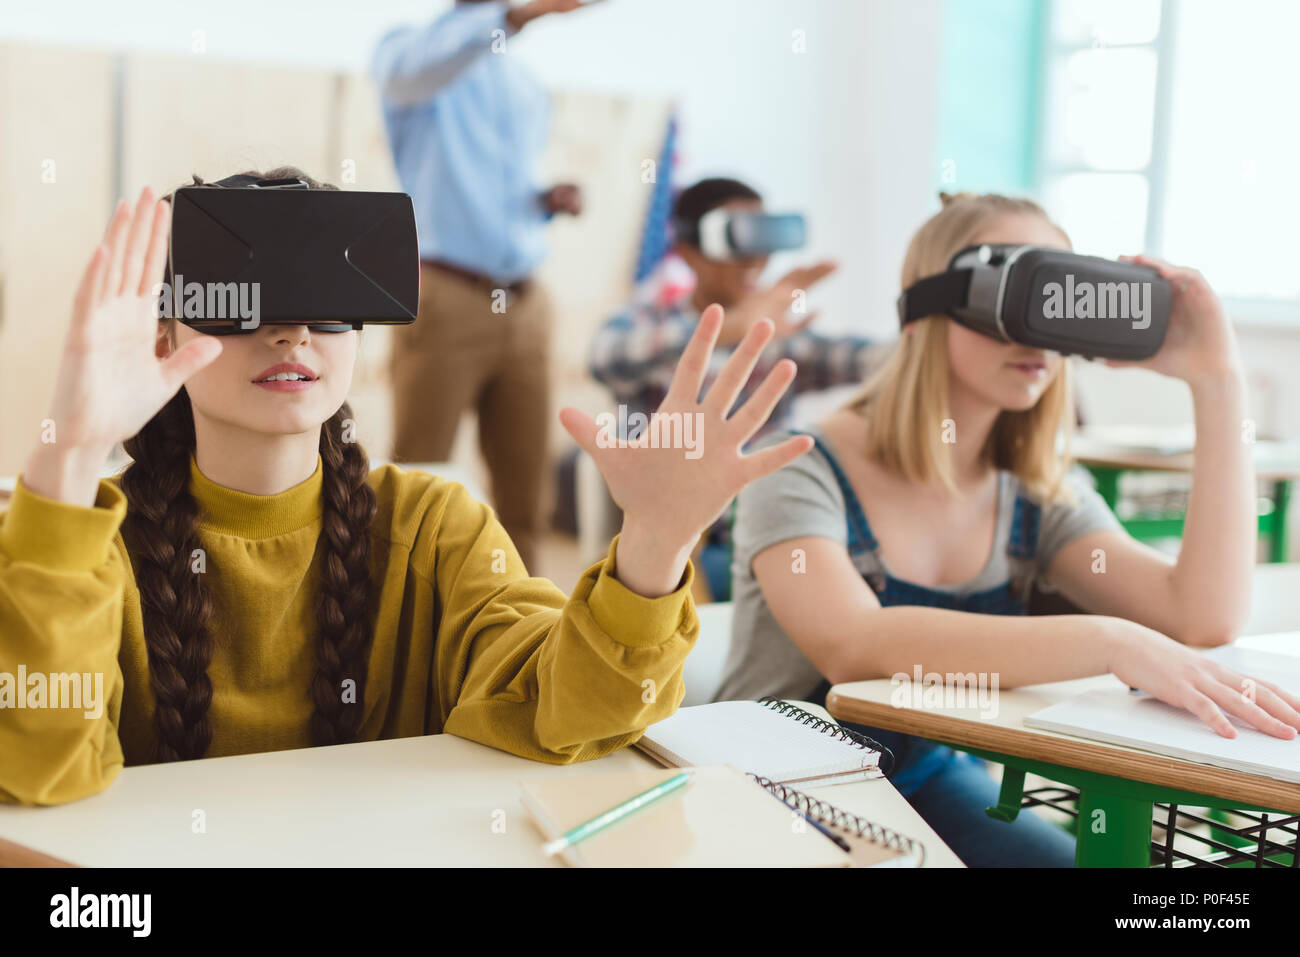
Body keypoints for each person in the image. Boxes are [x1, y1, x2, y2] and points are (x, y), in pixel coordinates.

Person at [0, 169, 813, 807]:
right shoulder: (80, 537)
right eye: (245, 301)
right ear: (165, 331)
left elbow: (566, 712)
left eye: (328, 303)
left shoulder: (434, 529)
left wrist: (655, 544)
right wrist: (69, 453)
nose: (290, 331)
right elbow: (39, 768)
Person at [714, 191, 1300, 867]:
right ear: (928, 310)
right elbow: (853, 642)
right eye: (1021, 295)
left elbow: (1201, 615)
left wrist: (1217, 379)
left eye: (1061, 303)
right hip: (771, 783)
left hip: (928, 780)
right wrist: (1109, 640)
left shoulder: (1034, 491)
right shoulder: (796, 466)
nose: (1039, 334)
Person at [590, 177, 884, 599]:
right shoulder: (650, 322)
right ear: (688, 252)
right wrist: (731, 328)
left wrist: (928, 334)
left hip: (771, 533)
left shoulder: (777, 330)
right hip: (687, 540)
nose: (755, 260)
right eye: (737, 240)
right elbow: (603, 357)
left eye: (762, 240)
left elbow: (860, 358)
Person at [371, 0, 588, 571]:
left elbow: (503, 192)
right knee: (418, 481)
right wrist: (517, 16)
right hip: (446, 298)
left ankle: (523, 637)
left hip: (528, 303)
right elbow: (423, 68)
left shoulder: (523, 83)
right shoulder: (408, 54)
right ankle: (404, 634)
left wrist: (544, 200)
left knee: (526, 494)